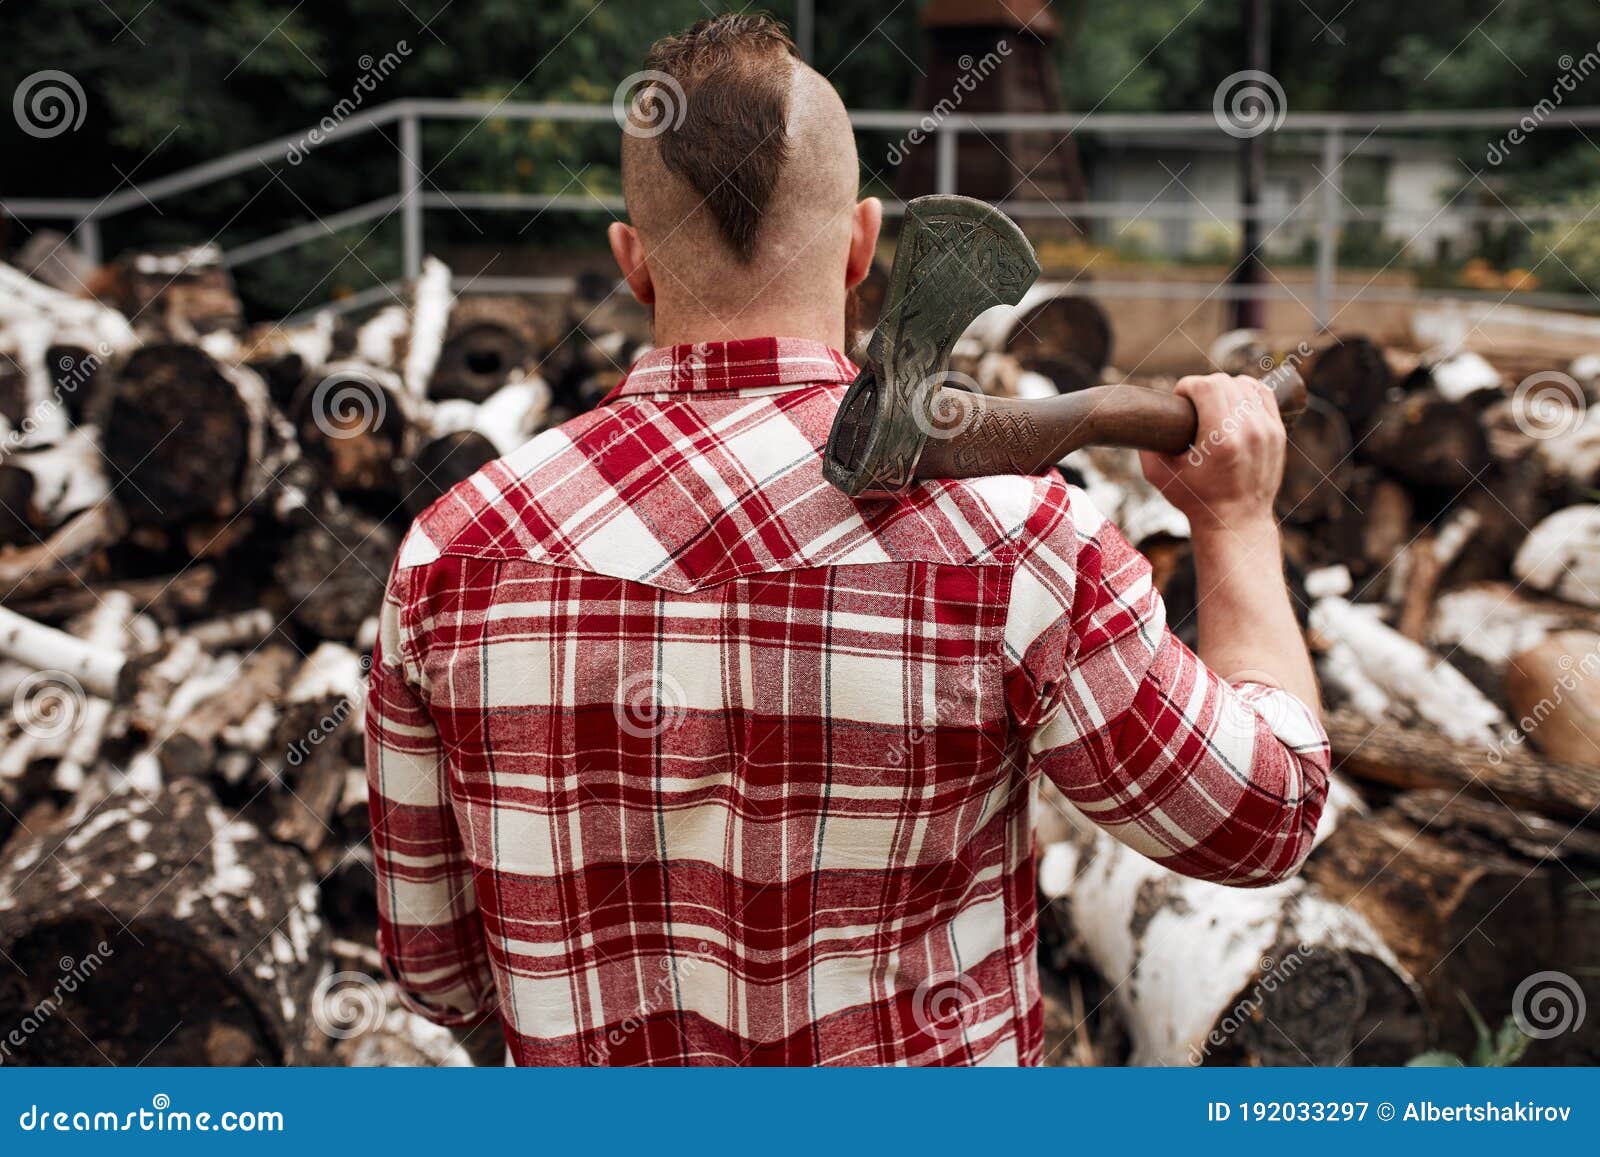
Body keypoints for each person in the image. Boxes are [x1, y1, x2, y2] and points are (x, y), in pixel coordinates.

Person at [365, 13, 1327, 1067]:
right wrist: (1233, 520)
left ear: (632, 265)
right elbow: (1263, 816)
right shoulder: (1017, 541)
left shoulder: (449, 556)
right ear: (864, 243)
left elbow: (440, 978)